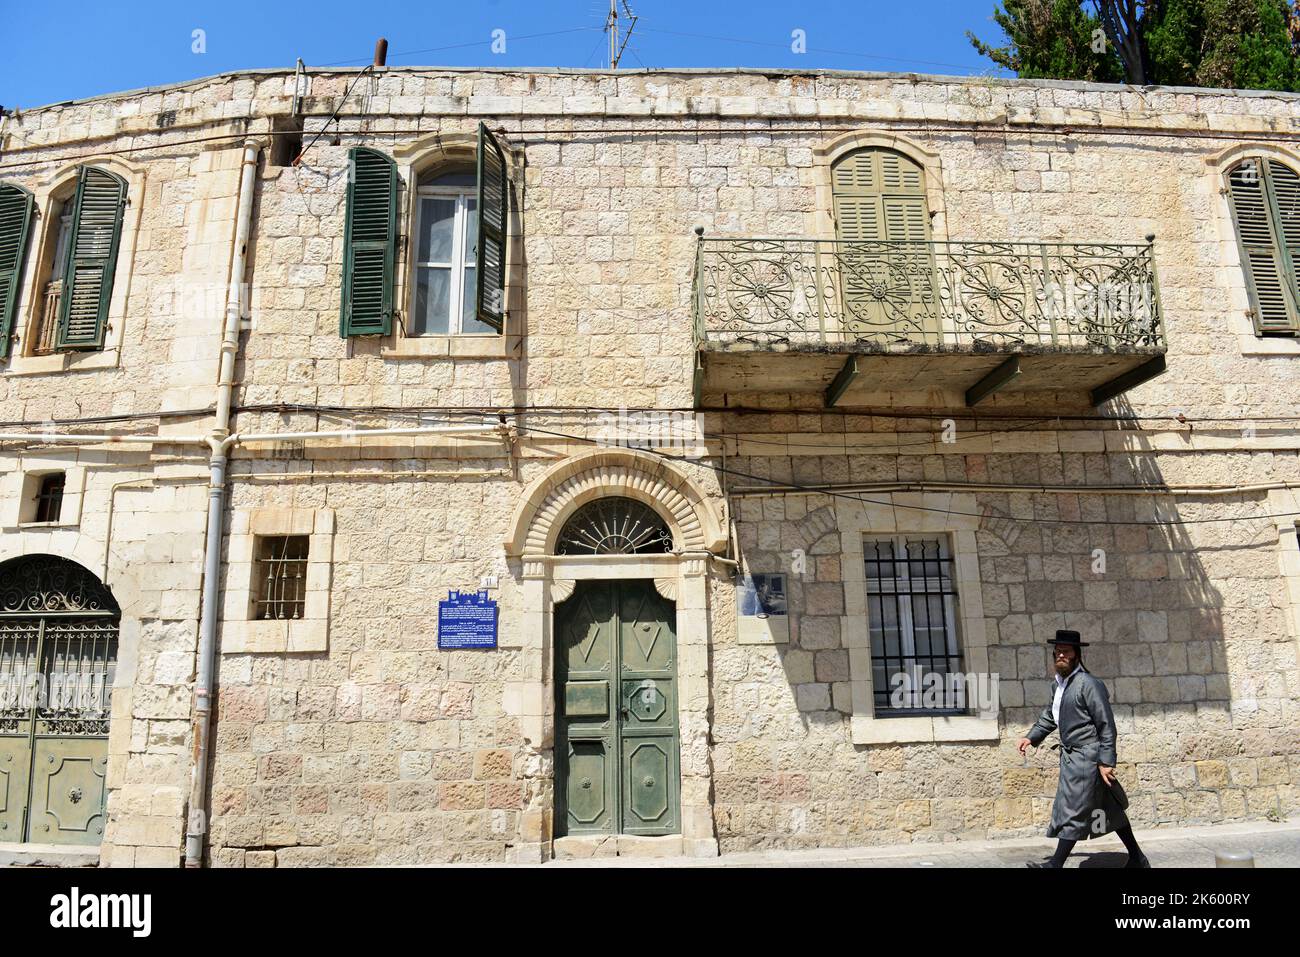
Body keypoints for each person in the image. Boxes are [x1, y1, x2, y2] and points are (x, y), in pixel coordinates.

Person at [1016, 630, 1150, 868]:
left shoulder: (1088, 684)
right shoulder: (1059, 686)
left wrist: (1106, 761)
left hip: (1087, 759)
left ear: (1076, 655)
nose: (1060, 655)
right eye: (1057, 651)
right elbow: (1051, 716)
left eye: (1066, 651)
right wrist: (1032, 737)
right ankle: (1138, 859)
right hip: (1073, 759)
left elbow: (1106, 724)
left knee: (1072, 809)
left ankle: (1055, 865)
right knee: (1110, 810)